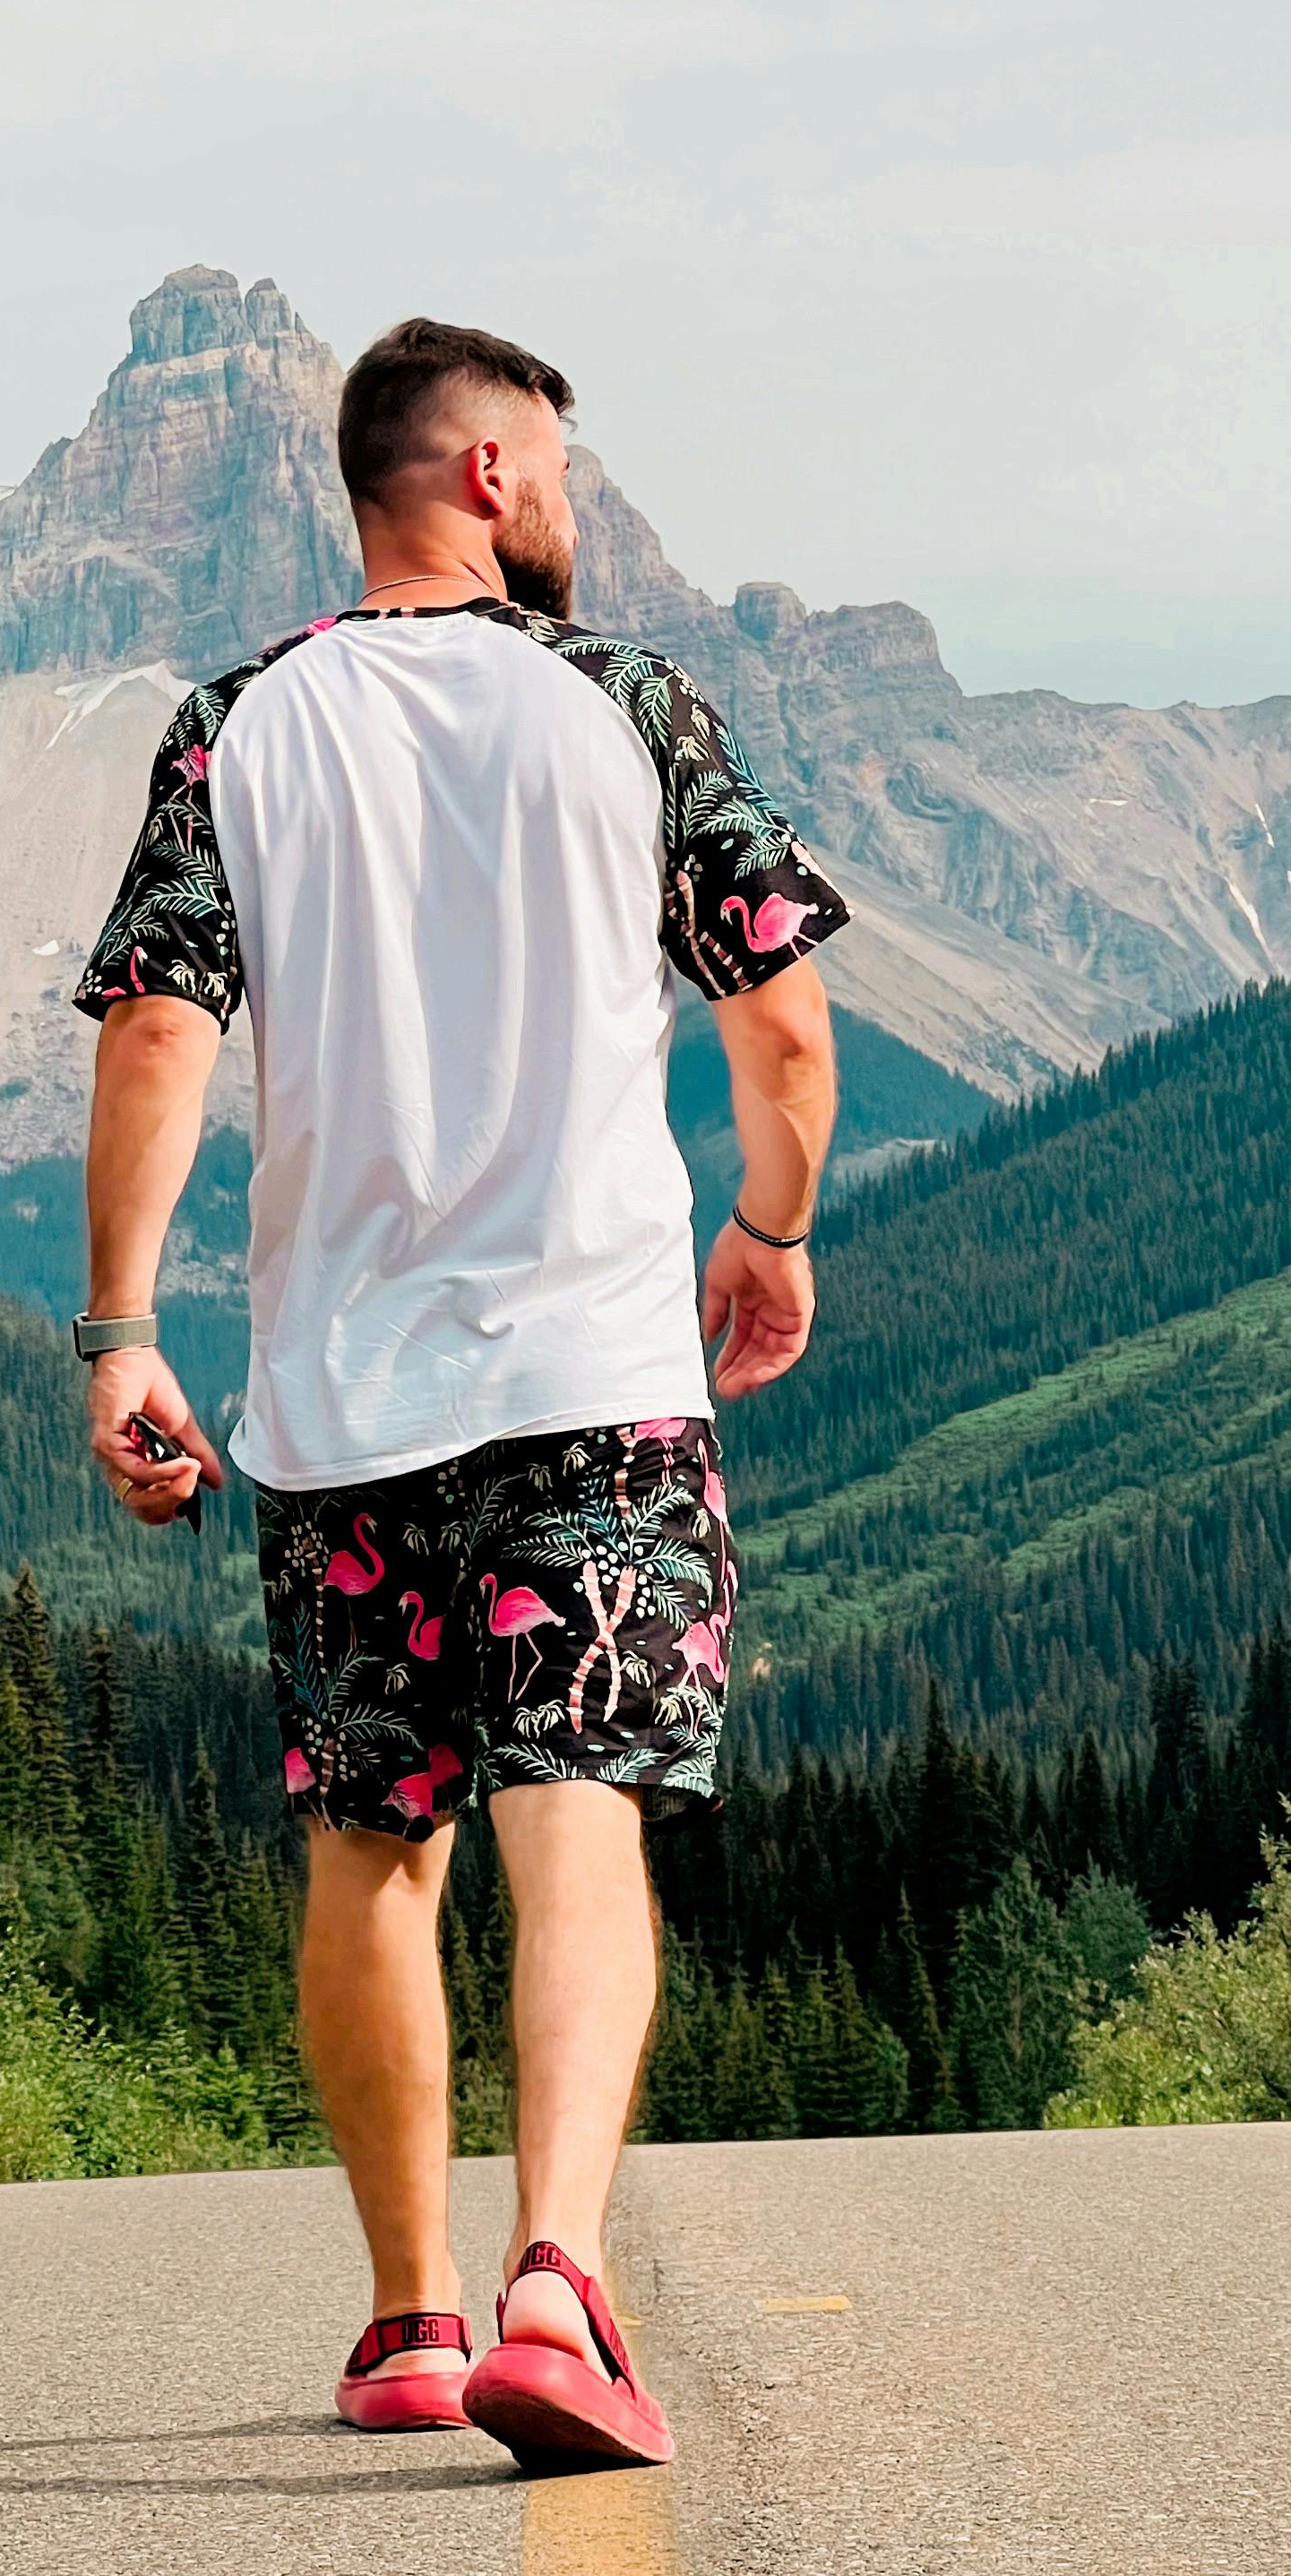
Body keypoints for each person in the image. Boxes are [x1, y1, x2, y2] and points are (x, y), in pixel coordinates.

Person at [73, 315, 846, 2467]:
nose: (577, 514)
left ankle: (409, 2319)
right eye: (565, 477)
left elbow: (154, 1028)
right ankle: (559, 2287)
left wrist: (122, 1331)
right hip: (595, 1368)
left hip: (338, 1403)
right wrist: (768, 1234)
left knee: (372, 1838)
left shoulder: (235, 729)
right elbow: (782, 1034)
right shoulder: (625, 706)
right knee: (573, 1815)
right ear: (491, 476)